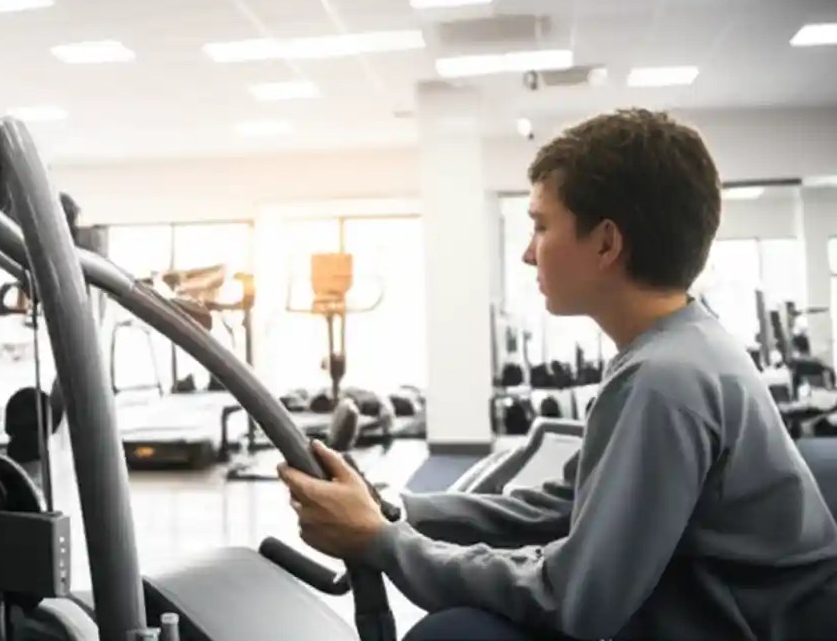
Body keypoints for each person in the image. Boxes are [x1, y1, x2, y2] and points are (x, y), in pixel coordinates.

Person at [279, 109, 837, 640]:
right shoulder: (683, 345)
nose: (528, 254)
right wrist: (400, 513)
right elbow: (565, 508)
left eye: (541, 226)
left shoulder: (663, 380)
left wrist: (382, 541)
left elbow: (574, 599)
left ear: (606, 243)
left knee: (455, 636)